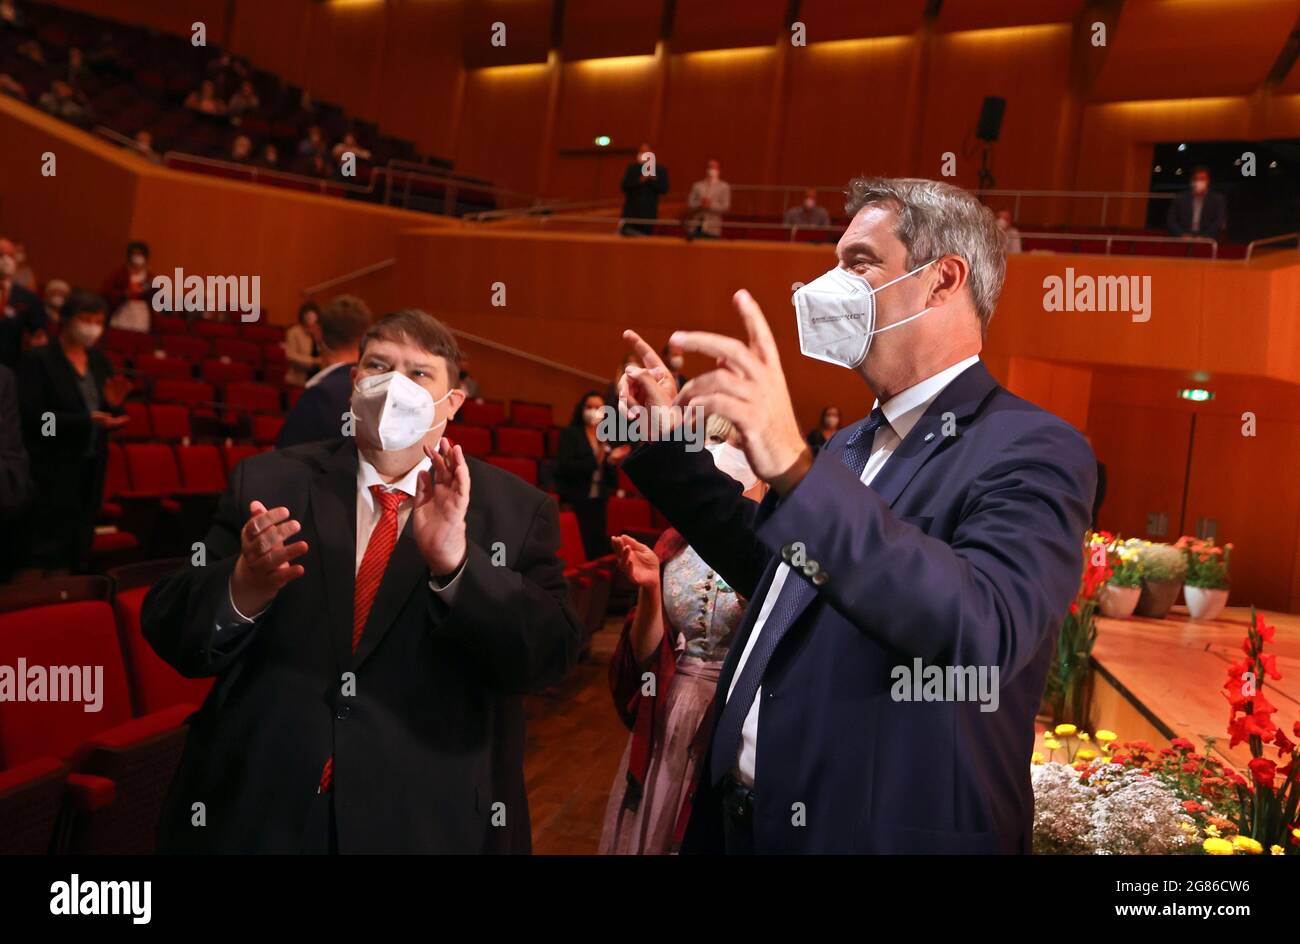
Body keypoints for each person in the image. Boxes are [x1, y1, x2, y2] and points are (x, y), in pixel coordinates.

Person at [618, 176, 1096, 854]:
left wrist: (793, 467)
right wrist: (671, 451)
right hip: (739, 821)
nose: (826, 283)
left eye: (858, 261)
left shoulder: (1032, 446)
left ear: (942, 280)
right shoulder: (851, 442)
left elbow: (981, 631)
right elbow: (788, 576)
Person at [141, 308, 583, 853]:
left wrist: (457, 567)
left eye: (420, 373)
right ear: (355, 382)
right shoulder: (270, 480)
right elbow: (171, 626)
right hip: (262, 809)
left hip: (420, 819)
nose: (396, 384)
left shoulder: (516, 510)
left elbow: (549, 655)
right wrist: (243, 585)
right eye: (379, 365)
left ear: (453, 403)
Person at [601, 415, 763, 854]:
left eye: (731, 442)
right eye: (710, 441)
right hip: (671, 708)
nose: (719, 453)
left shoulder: (776, 544)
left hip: (736, 716)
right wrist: (651, 588)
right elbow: (646, 656)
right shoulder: (674, 540)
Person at [17, 291, 131, 574]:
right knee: (46, 551)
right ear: (66, 320)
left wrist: (113, 409)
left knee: (81, 546)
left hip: (90, 467)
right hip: (50, 470)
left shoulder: (99, 362)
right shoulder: (39, 360)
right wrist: (84, 421)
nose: (92, 327)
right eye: (85, 319)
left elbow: (103, 412)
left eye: (99, 321)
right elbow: (36, 421)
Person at [277, 294, 371, 448]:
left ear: (318, 333)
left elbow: (285, 456)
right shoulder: (381, 387)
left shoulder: (320, 396)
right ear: (365, 336)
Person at [554, 391, 630, 560]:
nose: (593, 411)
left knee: (597, 547)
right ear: (582, 409)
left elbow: (610, 479)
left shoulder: (605, 437)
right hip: (576, 500)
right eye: (589, 407)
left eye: (598, 407)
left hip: (598, 502)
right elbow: (566, 467)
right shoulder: (570, 434)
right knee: (578, 546)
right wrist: (599, 455)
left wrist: (610, 461)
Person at [0, 363, 33, 583]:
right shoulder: (40, 362)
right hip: (49, 454)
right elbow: (42, 417)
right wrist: (51, 435)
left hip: (13, 474)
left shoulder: (96, 364)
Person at [0, 237, 46, 369]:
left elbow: (38, 333)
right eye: (1, 255)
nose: (6, 260)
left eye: (11, 256)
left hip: (9, 368)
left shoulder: (28, 298)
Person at [102, 241, 158, 332]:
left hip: (142, 315)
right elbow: (106, 293)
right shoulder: (119, 274)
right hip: (122, 312)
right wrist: (125, 294)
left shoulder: (150, 277)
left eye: (140, 254)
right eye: (135, 254)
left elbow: (157, 300)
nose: (138, 257)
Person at [620, 143, 669, 237]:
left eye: (645, 152)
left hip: (649, 214)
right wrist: (640, 180)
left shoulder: (659, 170)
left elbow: (664, 189)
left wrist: (651, 179)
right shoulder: (632, 169)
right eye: (641, 152)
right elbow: (624, 186)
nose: (642, 154)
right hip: (631, 213)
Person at [1166, 166, 1226, 240]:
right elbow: (1171, 220)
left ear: (1208, 181)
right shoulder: (1180, 197)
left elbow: (1218, 221)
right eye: (1196, 179)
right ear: (1192, 181)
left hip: (1207, 239)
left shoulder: (1217, 199)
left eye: (1202, 179)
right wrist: (1181, 235)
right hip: (1183, 238)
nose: (1199, 182)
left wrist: (1205, 237)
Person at [686, 159, 731, 240]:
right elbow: (690, 204)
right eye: (710, 167)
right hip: (696, 226)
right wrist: (700, 204)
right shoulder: (697, 185)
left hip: (713, 228)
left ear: (719, 169)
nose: (712, 170)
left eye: (714, 167)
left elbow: (725, 207)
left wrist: (710, 205)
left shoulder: (724, 187)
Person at [284, 301, 321, 387]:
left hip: (317, 380)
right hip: (298, 379)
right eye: (308, 316)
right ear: (303, 316)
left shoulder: (319, 331)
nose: (311, 319)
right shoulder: (294, 332)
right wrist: (314, 361)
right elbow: (290, 355)